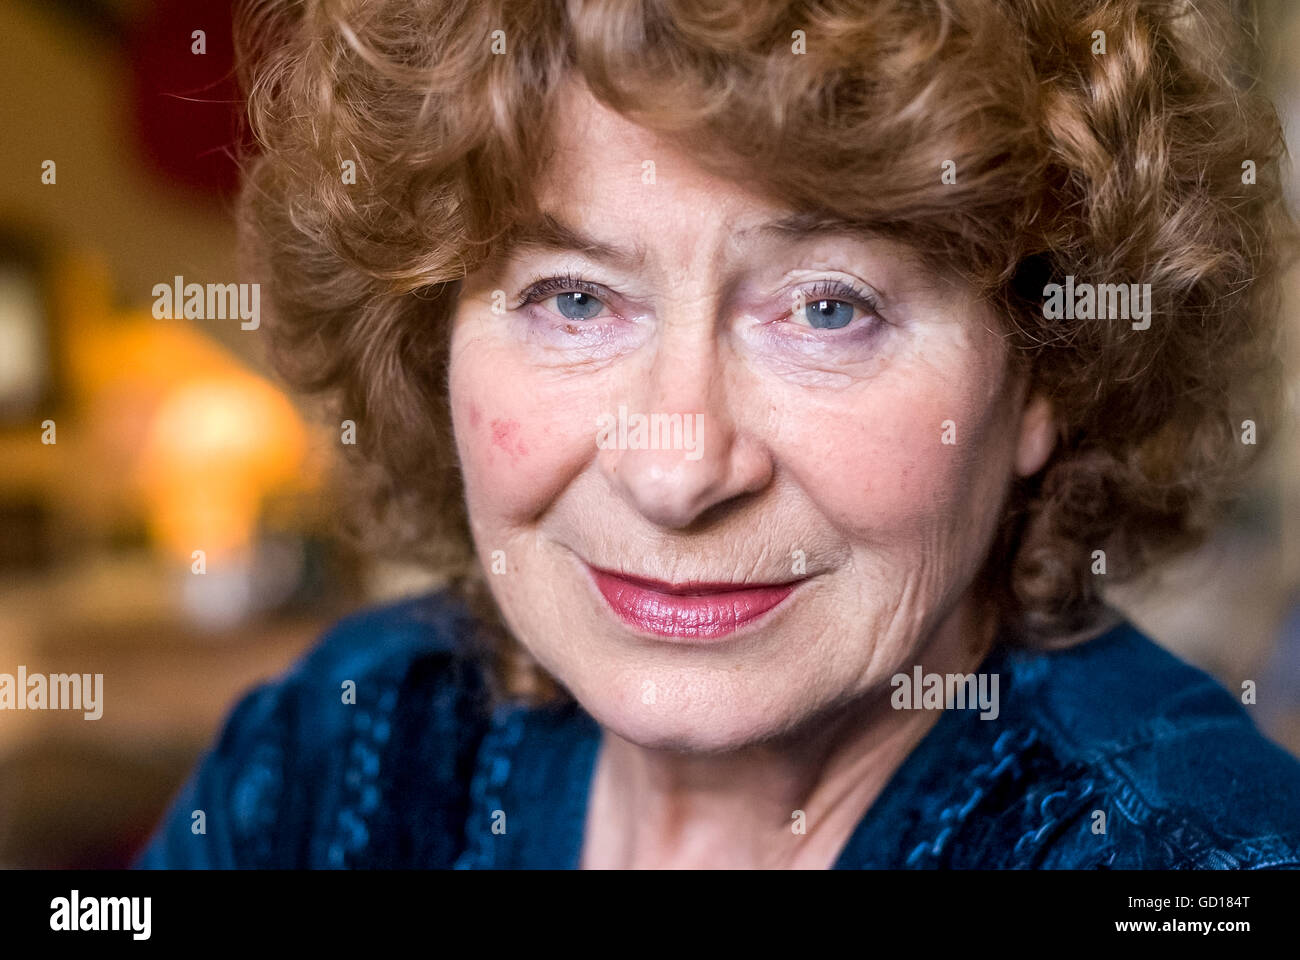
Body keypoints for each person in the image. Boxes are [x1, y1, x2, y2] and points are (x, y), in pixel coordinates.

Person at [137, 0, 1300, 869]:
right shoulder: (343, 742)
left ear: (1046, 369)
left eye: (830, 308)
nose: (677, 467)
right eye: (573, 298)